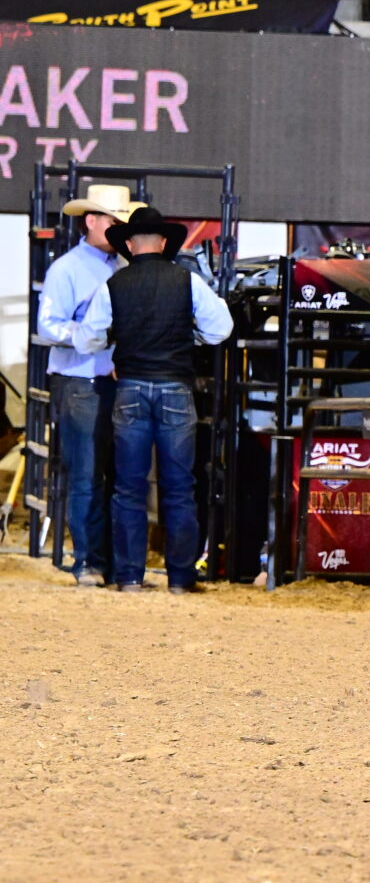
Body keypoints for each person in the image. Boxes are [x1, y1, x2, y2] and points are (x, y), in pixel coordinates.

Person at [74, 205, 234, 593]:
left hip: (130, 388)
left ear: (128, 244)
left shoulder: (113, 285)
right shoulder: (187, 281)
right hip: (176, 389)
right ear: (163, 243)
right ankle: (180, 578)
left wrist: (117, 339)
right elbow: (221, 330)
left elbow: (86, 339)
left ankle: (129, 576)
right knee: (179, 487)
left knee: (128, 487)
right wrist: (189, 337)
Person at [38, 183, 140, 586]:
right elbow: (47, 326)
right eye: (113, 222)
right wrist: (94, 338)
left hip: (108, 379)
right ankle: (88, 561)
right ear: (92, 221)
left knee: (114, 473)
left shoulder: (121, 267)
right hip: (81, 380)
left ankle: (106, 562)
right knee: (87, 473)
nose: (118, 230)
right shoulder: (68, 268)